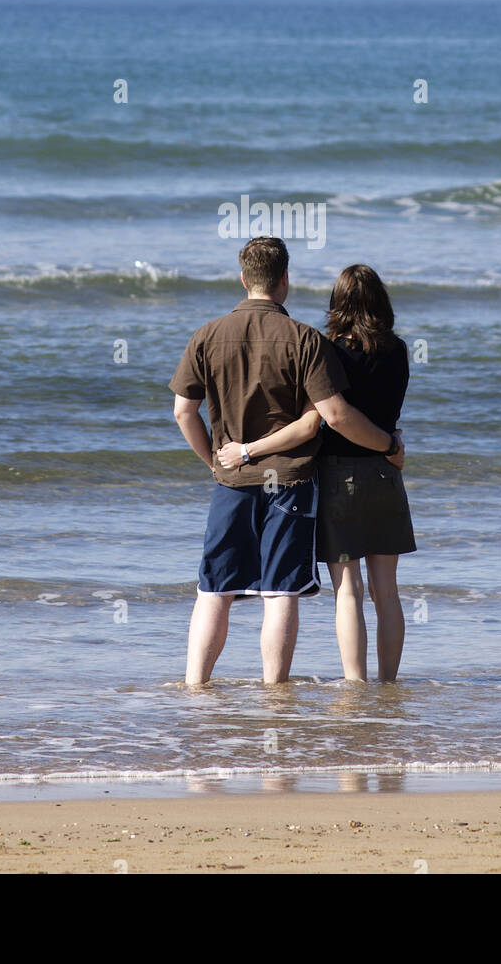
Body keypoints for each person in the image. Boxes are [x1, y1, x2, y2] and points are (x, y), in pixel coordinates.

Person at [170, 237, 404, 686]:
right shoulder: (304, 339)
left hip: (231, 481)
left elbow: (184, 410)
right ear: (284, 280)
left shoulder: (206, 334)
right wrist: (388, 444)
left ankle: (195, 688)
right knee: (279, 593)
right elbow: (325, 417)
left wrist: (215, 463)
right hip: (291, 481)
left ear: (243, 278)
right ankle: (274, 694)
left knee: (214, 591)